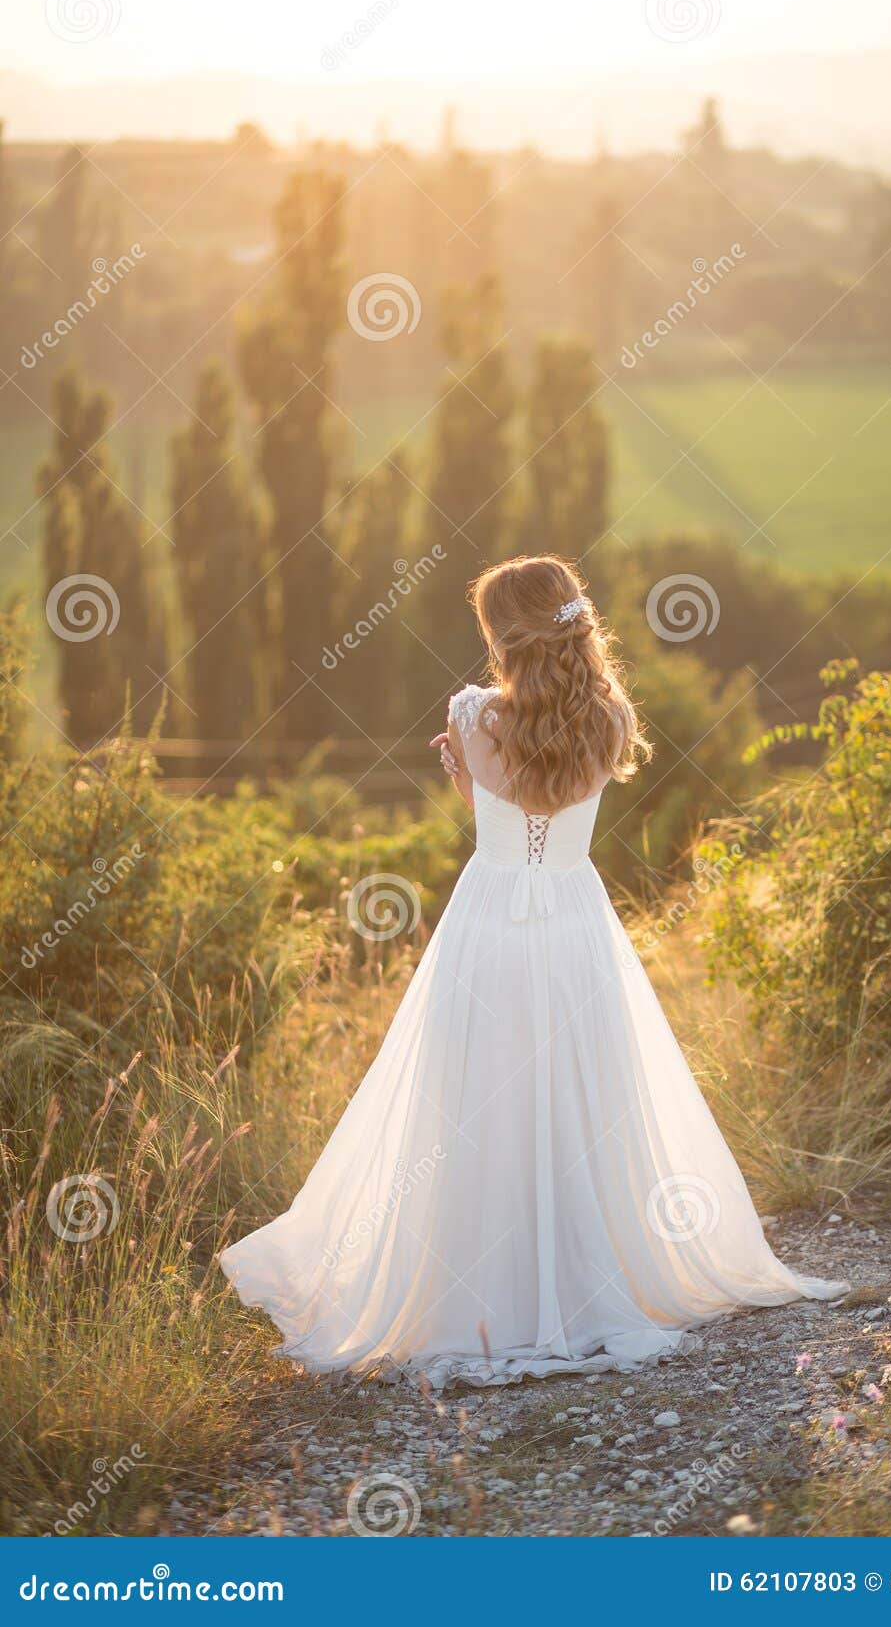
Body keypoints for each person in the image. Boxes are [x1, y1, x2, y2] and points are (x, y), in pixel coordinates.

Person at [220, 555, 845, 1386]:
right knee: (587, 1090)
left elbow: (501, 816)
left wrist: (461, 774)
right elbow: (554, 810)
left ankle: (481, 1287)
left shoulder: (473, 715)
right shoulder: (613, 715)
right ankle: (595, 1275)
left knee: (473, 1096)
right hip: (575, 919)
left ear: (502, 637)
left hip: (491, 920)